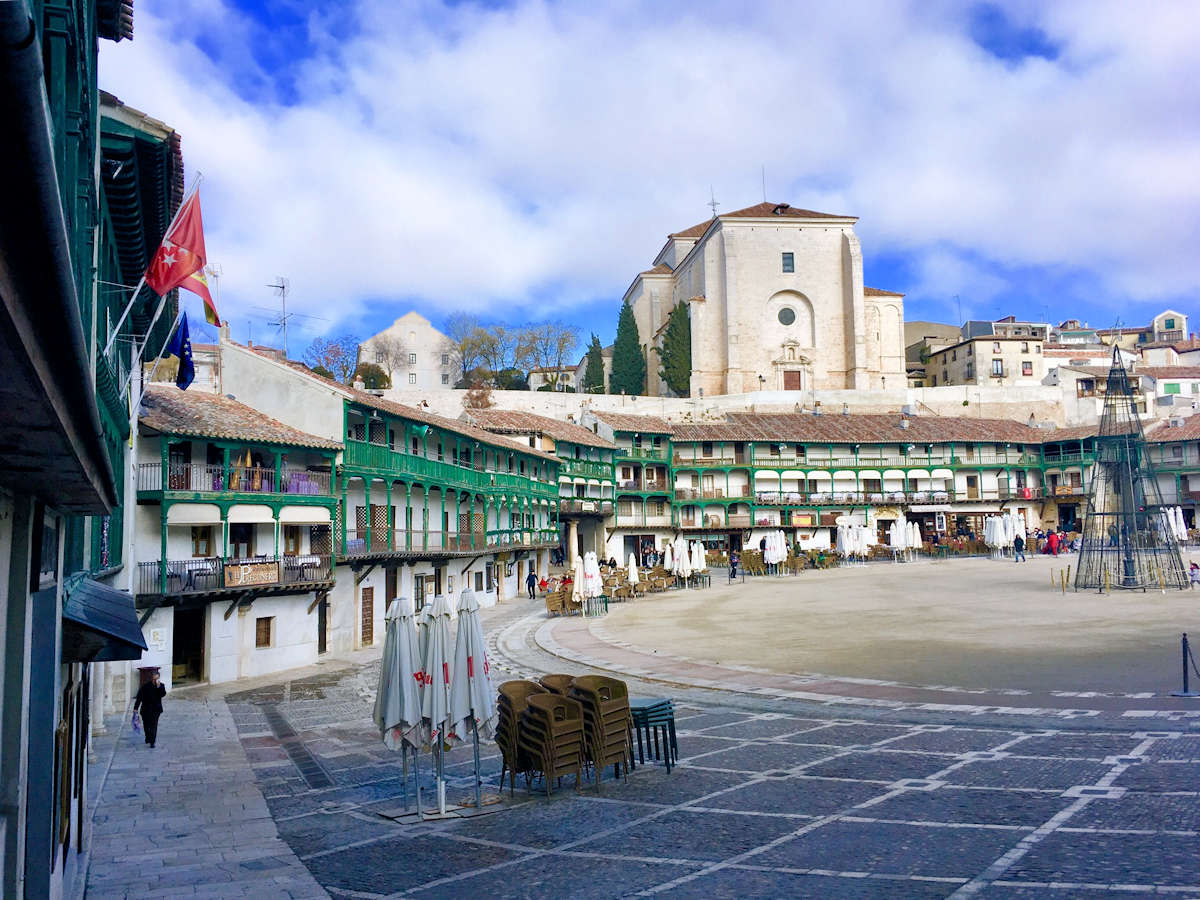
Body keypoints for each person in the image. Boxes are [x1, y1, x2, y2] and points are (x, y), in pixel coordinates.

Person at [133, 670, 166, 749]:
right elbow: (139, 698)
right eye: (154, 679)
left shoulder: (161, 686)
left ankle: (152, 741)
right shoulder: (145, 686)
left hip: (156, 709)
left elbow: (162, 694)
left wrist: (158, 687)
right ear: (151, 678)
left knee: (154, 725)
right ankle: (148, 736)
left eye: (156, 679)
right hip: (146, 709)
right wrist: (135, 708)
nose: (155, 681)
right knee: (146, 725)